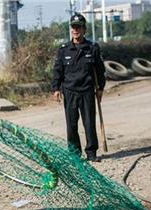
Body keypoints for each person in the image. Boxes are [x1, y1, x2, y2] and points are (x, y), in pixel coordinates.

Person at [52, 13, 106, 162]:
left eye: (79, 27)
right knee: (71, 124)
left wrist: (100, 88)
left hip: (87, 90)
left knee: (89, 122)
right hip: (69, 91)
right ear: (71, 29)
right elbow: (58, 70)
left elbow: (100, 70)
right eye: (73, 27)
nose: (75, 30)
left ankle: (91, 152)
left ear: (84, 29)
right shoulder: (63, 49)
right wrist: (56, 88)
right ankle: (74, 154)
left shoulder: (92, 48)